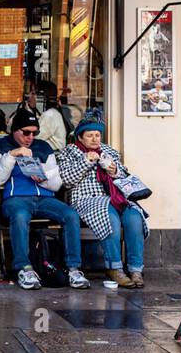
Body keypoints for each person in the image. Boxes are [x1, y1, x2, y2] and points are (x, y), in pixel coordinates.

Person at [0, 108, 88, 290]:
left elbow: (56, 184)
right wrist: (12, 155)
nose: (30, 137)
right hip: (16, 198)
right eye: (26, 132)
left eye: (35, 133)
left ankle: (73, 268)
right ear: (14, 131)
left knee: (71, 214)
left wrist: (44, 179)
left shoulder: (43, 147)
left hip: (44, 197)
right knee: (19, 216)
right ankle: (24, 268)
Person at [58, 118, 148, 288]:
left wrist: (115, 171)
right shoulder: (69, 152)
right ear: (80, 137)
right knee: (110, 216)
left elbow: (123, 176)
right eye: (90, 135)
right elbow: (66, 181)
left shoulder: (108, 151)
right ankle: (114, 268)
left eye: (97, 135)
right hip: (86, 200)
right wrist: (86, 161)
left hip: (114, 198)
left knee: (134, 216)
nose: (94, 139)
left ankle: (136, 269)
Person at [36, 82, 71, 153]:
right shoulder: (54, 112)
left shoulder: (49, 115)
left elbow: (36, 138)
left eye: (34, 93)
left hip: (51, 154)